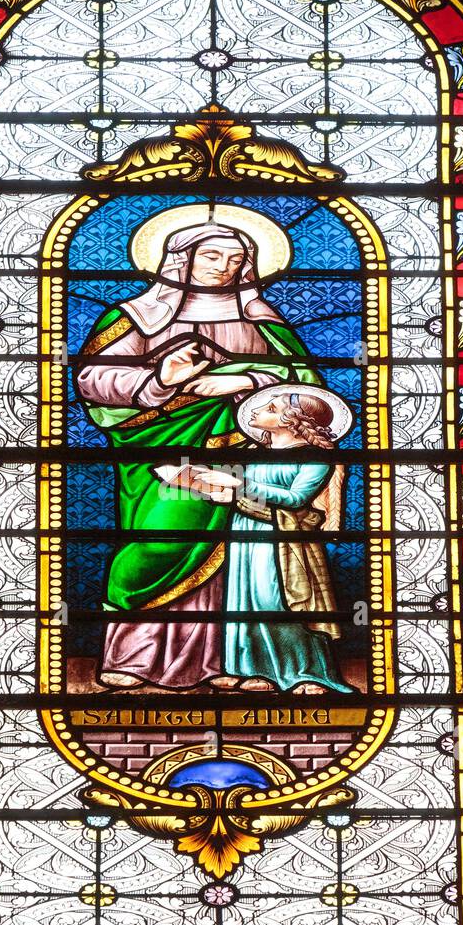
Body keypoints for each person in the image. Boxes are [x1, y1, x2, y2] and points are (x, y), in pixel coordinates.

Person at [76, 220, 321, 689]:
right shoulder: (137, 317)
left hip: (244, 451)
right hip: (160, 451)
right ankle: (133, 658)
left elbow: (306, 388)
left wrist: (248, 381)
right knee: (157, 543)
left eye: (234, 260)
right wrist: (163, 380)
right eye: (211, 257)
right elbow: (94, 381)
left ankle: (226, 663)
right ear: (180, 258)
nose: (223, 268)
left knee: (241, 560)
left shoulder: (261, 319)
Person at [217, 389, 351, 695]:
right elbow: (244, 496)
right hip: (246, 534)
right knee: (245, 600)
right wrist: (215, 490)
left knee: (277, 600)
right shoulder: (254, 453)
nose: (257, 408)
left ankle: (304, 672)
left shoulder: (316, 459)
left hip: (286, 541)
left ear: (292, 421)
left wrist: (240, 485)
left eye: (271, 407)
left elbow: (296, 499)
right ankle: (254, 669)